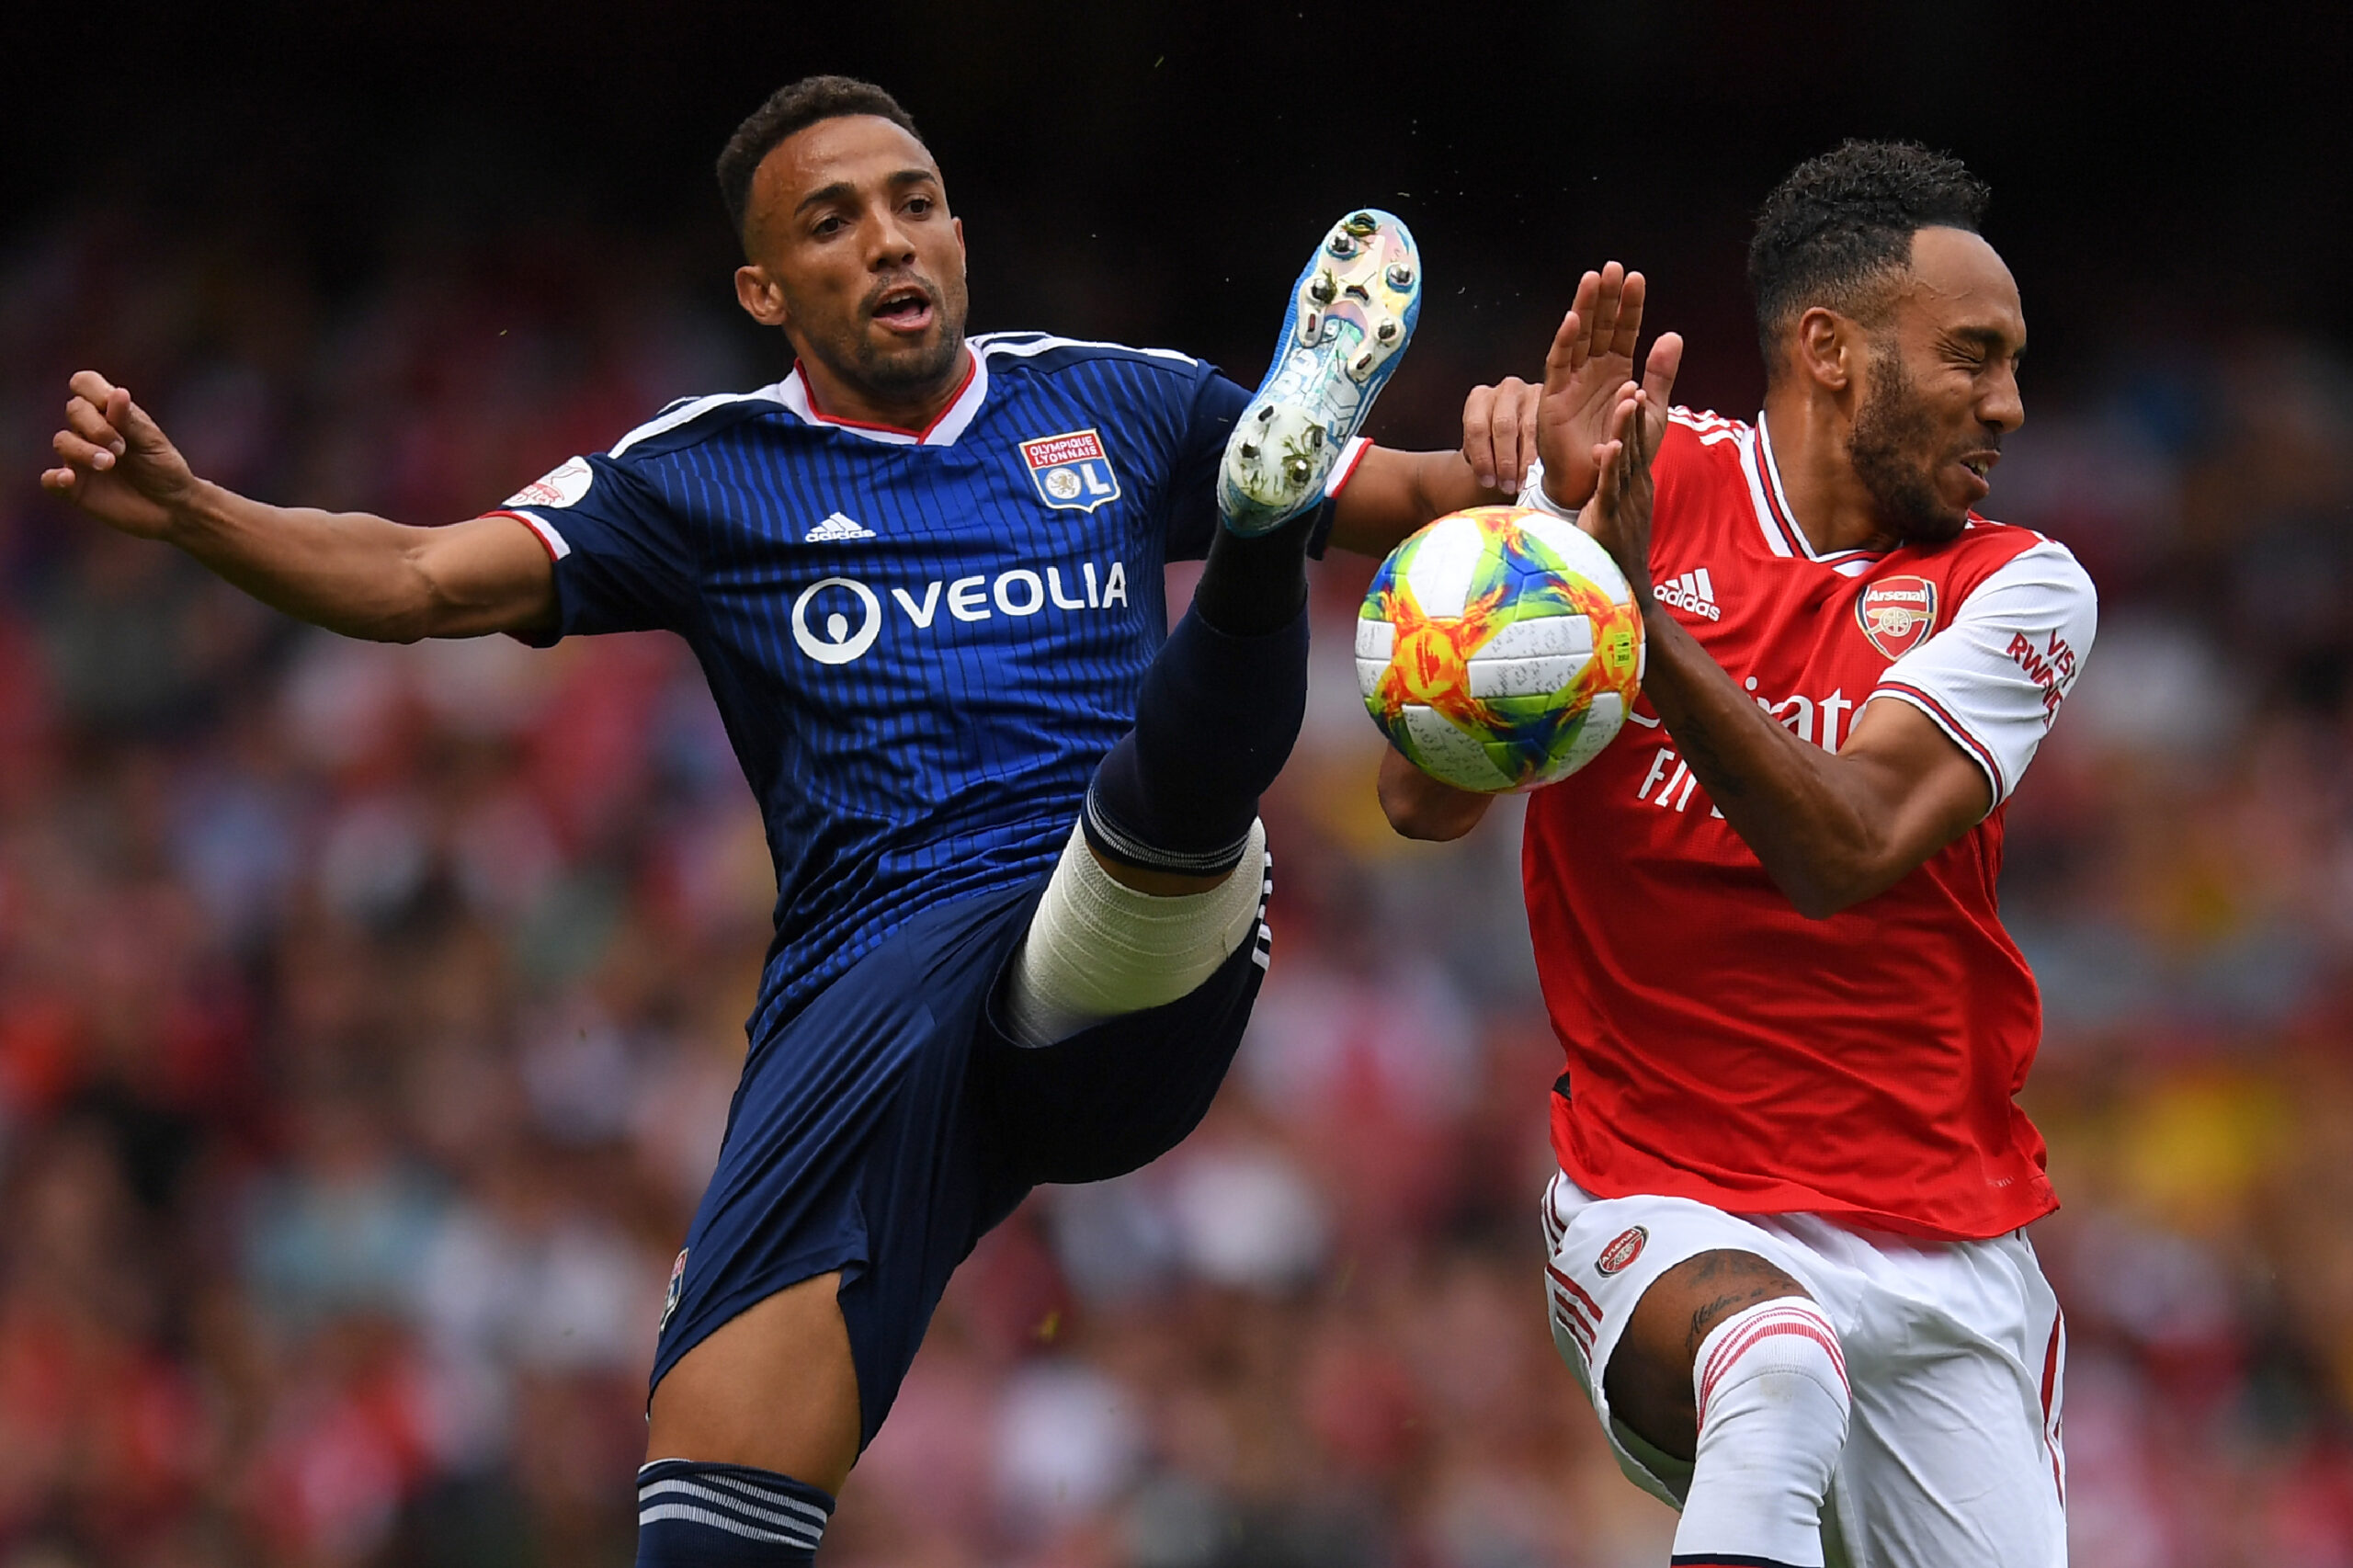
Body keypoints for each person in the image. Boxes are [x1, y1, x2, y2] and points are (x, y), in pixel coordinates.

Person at [40, 74, 1573, 1568]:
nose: (891, 242)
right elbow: (426, 578)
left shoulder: (1115, 401)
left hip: (1128, 954)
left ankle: (1250, 545)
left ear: (961, 237)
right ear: (766, 292)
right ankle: (1249, 551)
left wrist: (1532, 461)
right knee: (707, 1479)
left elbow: (1431, 493)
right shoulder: (707, 474)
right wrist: (200, 516)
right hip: (871, 999)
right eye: (835, 224)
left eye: (916, 205)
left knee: (1167, 784)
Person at [1382, 142, 2096, 1567]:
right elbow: (1422, 800)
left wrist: (1635, 614)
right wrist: (1540, 543)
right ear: (1830, 349)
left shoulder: (2021, 584)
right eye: (1973, 356)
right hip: (1667, 1196)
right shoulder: (1644, 484)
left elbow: (1846, 846)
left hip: (1948, 1245)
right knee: (1776, 1368)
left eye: (2013, 364)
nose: (2009, 404)